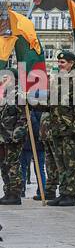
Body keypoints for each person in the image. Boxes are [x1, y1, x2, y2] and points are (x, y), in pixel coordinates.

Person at [31, 50, 75, 207]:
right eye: (59, 62)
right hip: (57, 128)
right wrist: (34, 104)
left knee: (70, 163)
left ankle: (71, 194)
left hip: (69, 129)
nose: (60, 65)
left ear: (72, 63)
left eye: (63, 62)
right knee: (60, 163)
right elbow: (51, 104)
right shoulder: (59, 81)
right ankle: (63, 192)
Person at [0, 69, 25, 205]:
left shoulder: (18, 94)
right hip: (3, 136)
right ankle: (7, 192)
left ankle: (15, 194)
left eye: (6, 77)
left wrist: (17, 134)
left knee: (13, 165)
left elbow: (22, 117)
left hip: (13, 136)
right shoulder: (4, 94)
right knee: (4, 165)